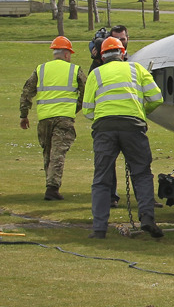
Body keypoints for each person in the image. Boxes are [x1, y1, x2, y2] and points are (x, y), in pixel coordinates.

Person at [82, 36, 164, 239]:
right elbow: (156, 98)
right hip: (133, 126)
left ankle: (99, 229)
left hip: (104, 128)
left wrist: (104, 116)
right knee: (141, 173)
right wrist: (141, 113)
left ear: (102, 57)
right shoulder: (137, 69)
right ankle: (147, 218)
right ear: (123, 54)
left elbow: (88, 110)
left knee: (102, 178)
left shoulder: (96, 74)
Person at [19, 36, 86, 200]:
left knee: (48, 153)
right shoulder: (75, 70)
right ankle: (52, 188)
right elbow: (86, 92)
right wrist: (74, 108)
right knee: (58, 153)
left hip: (44, 118)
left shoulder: (41, 69)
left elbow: (27, 91)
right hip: (64, 118)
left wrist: (24, 115)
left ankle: (50, 185)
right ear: (67, 54)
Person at [89, 25, 129, 208]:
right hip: (109, 120)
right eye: (116, 39)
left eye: (122, 39)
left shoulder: (134, 62)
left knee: (138, 164)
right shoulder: (98, 66)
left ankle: (144, 198)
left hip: (129, 119)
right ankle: (111, 197)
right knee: (108, 163)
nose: (119, 42)